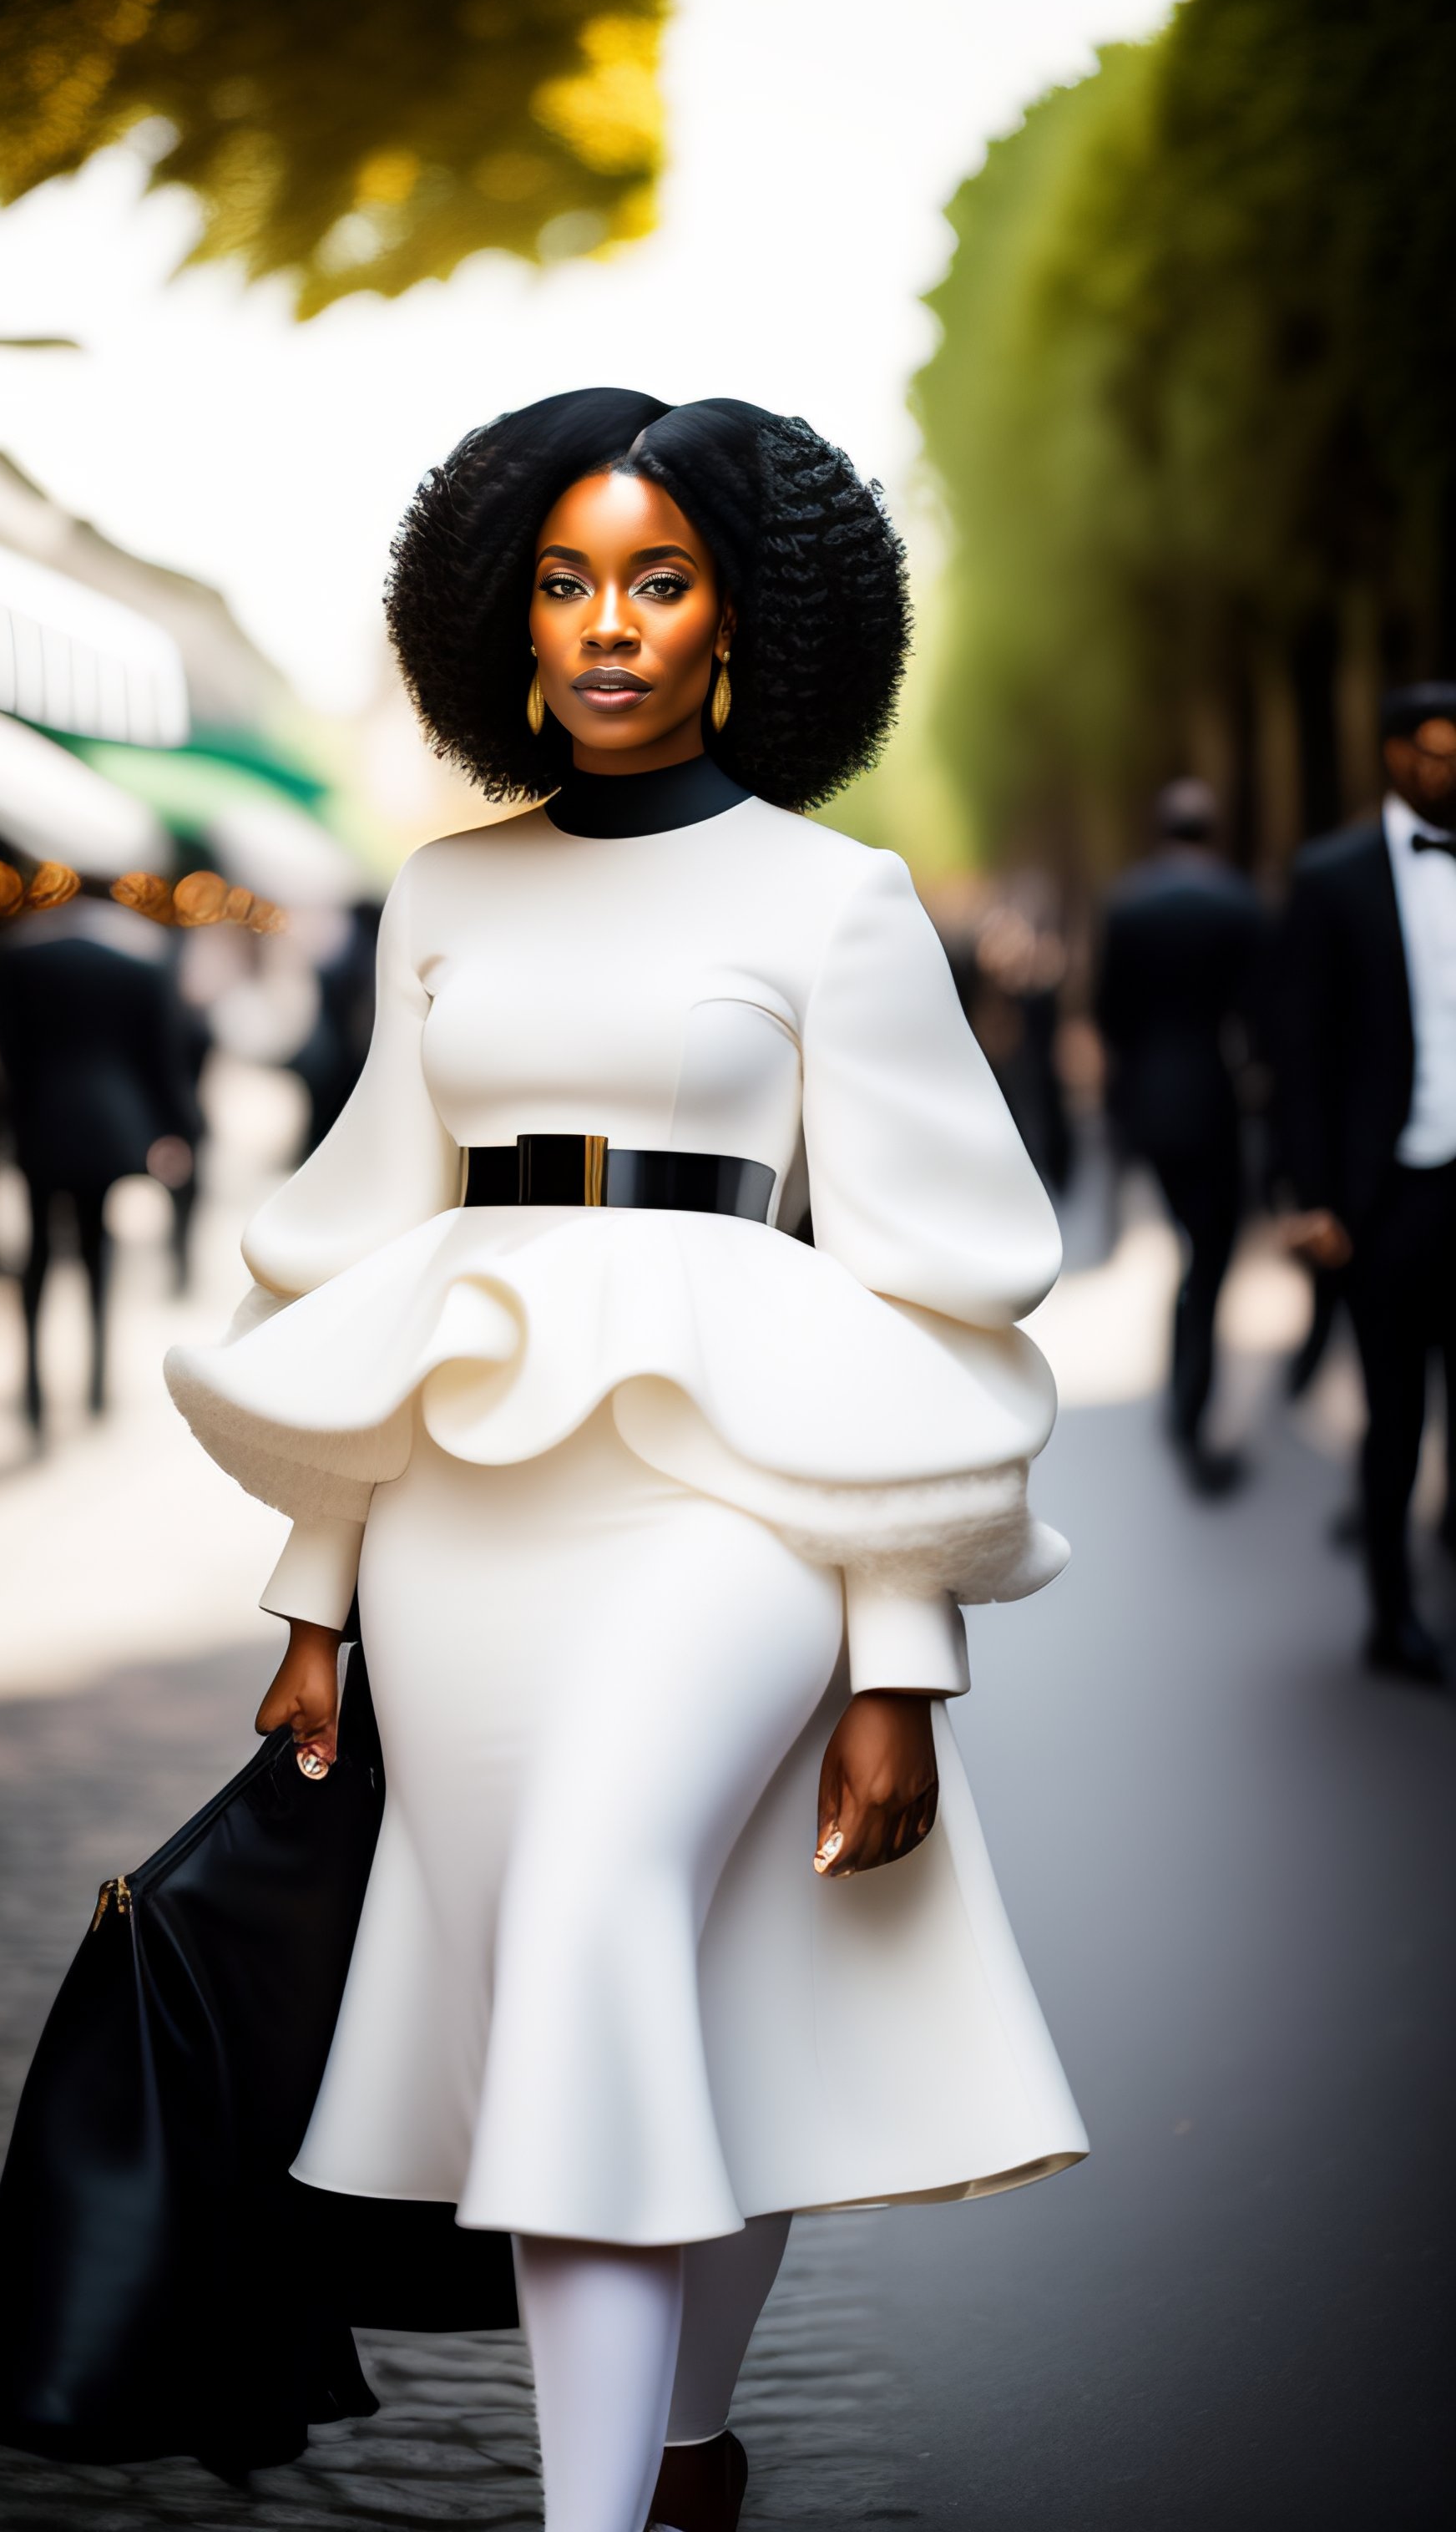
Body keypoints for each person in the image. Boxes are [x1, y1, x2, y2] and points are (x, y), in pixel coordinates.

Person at [166, 391, 1086, 2532]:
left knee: (591, 1913)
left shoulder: (840, 900)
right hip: (462, 1526)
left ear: (739, 620)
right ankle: (681, 2459)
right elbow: (364, 1262)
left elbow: (916, 1296)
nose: (605, 623)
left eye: (656, 579)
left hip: (740, 1510)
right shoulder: (434, 892)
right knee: (669, 1962)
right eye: (567, 579)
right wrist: (311, 1591)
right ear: (504, 612)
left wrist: (898, 1650)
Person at [1276, 683, 1456, 1681]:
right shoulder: (1331, 877)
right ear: (1391, 756)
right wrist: (1310, 1198)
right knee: (1394, 1415)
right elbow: (1298, 1048)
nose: (1448, 772)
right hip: (1387, 1197)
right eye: (1433, 753)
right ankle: (1391, 1617)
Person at [1095, 779, 1266, 1493]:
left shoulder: (1127, 904)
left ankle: (1181, 1400)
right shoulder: (1239, 902)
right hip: (1212, 1102)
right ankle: (1191, 1413)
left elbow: (1107, 1013)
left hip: (1151, 1107)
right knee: (1210, 1258)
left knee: (1191, 1253)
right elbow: (1262, 1012)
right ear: (1212, 829)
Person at [0, 898, 198, 1426]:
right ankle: (97, 1381)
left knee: (36, 1253)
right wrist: (182, 1129)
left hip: (40, 1122)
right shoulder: (140, 966)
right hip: (108, 1128)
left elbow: (4, 1055)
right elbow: (161, 1060)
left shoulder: (19, 962)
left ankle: (33, 1383)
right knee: (96, 1249)